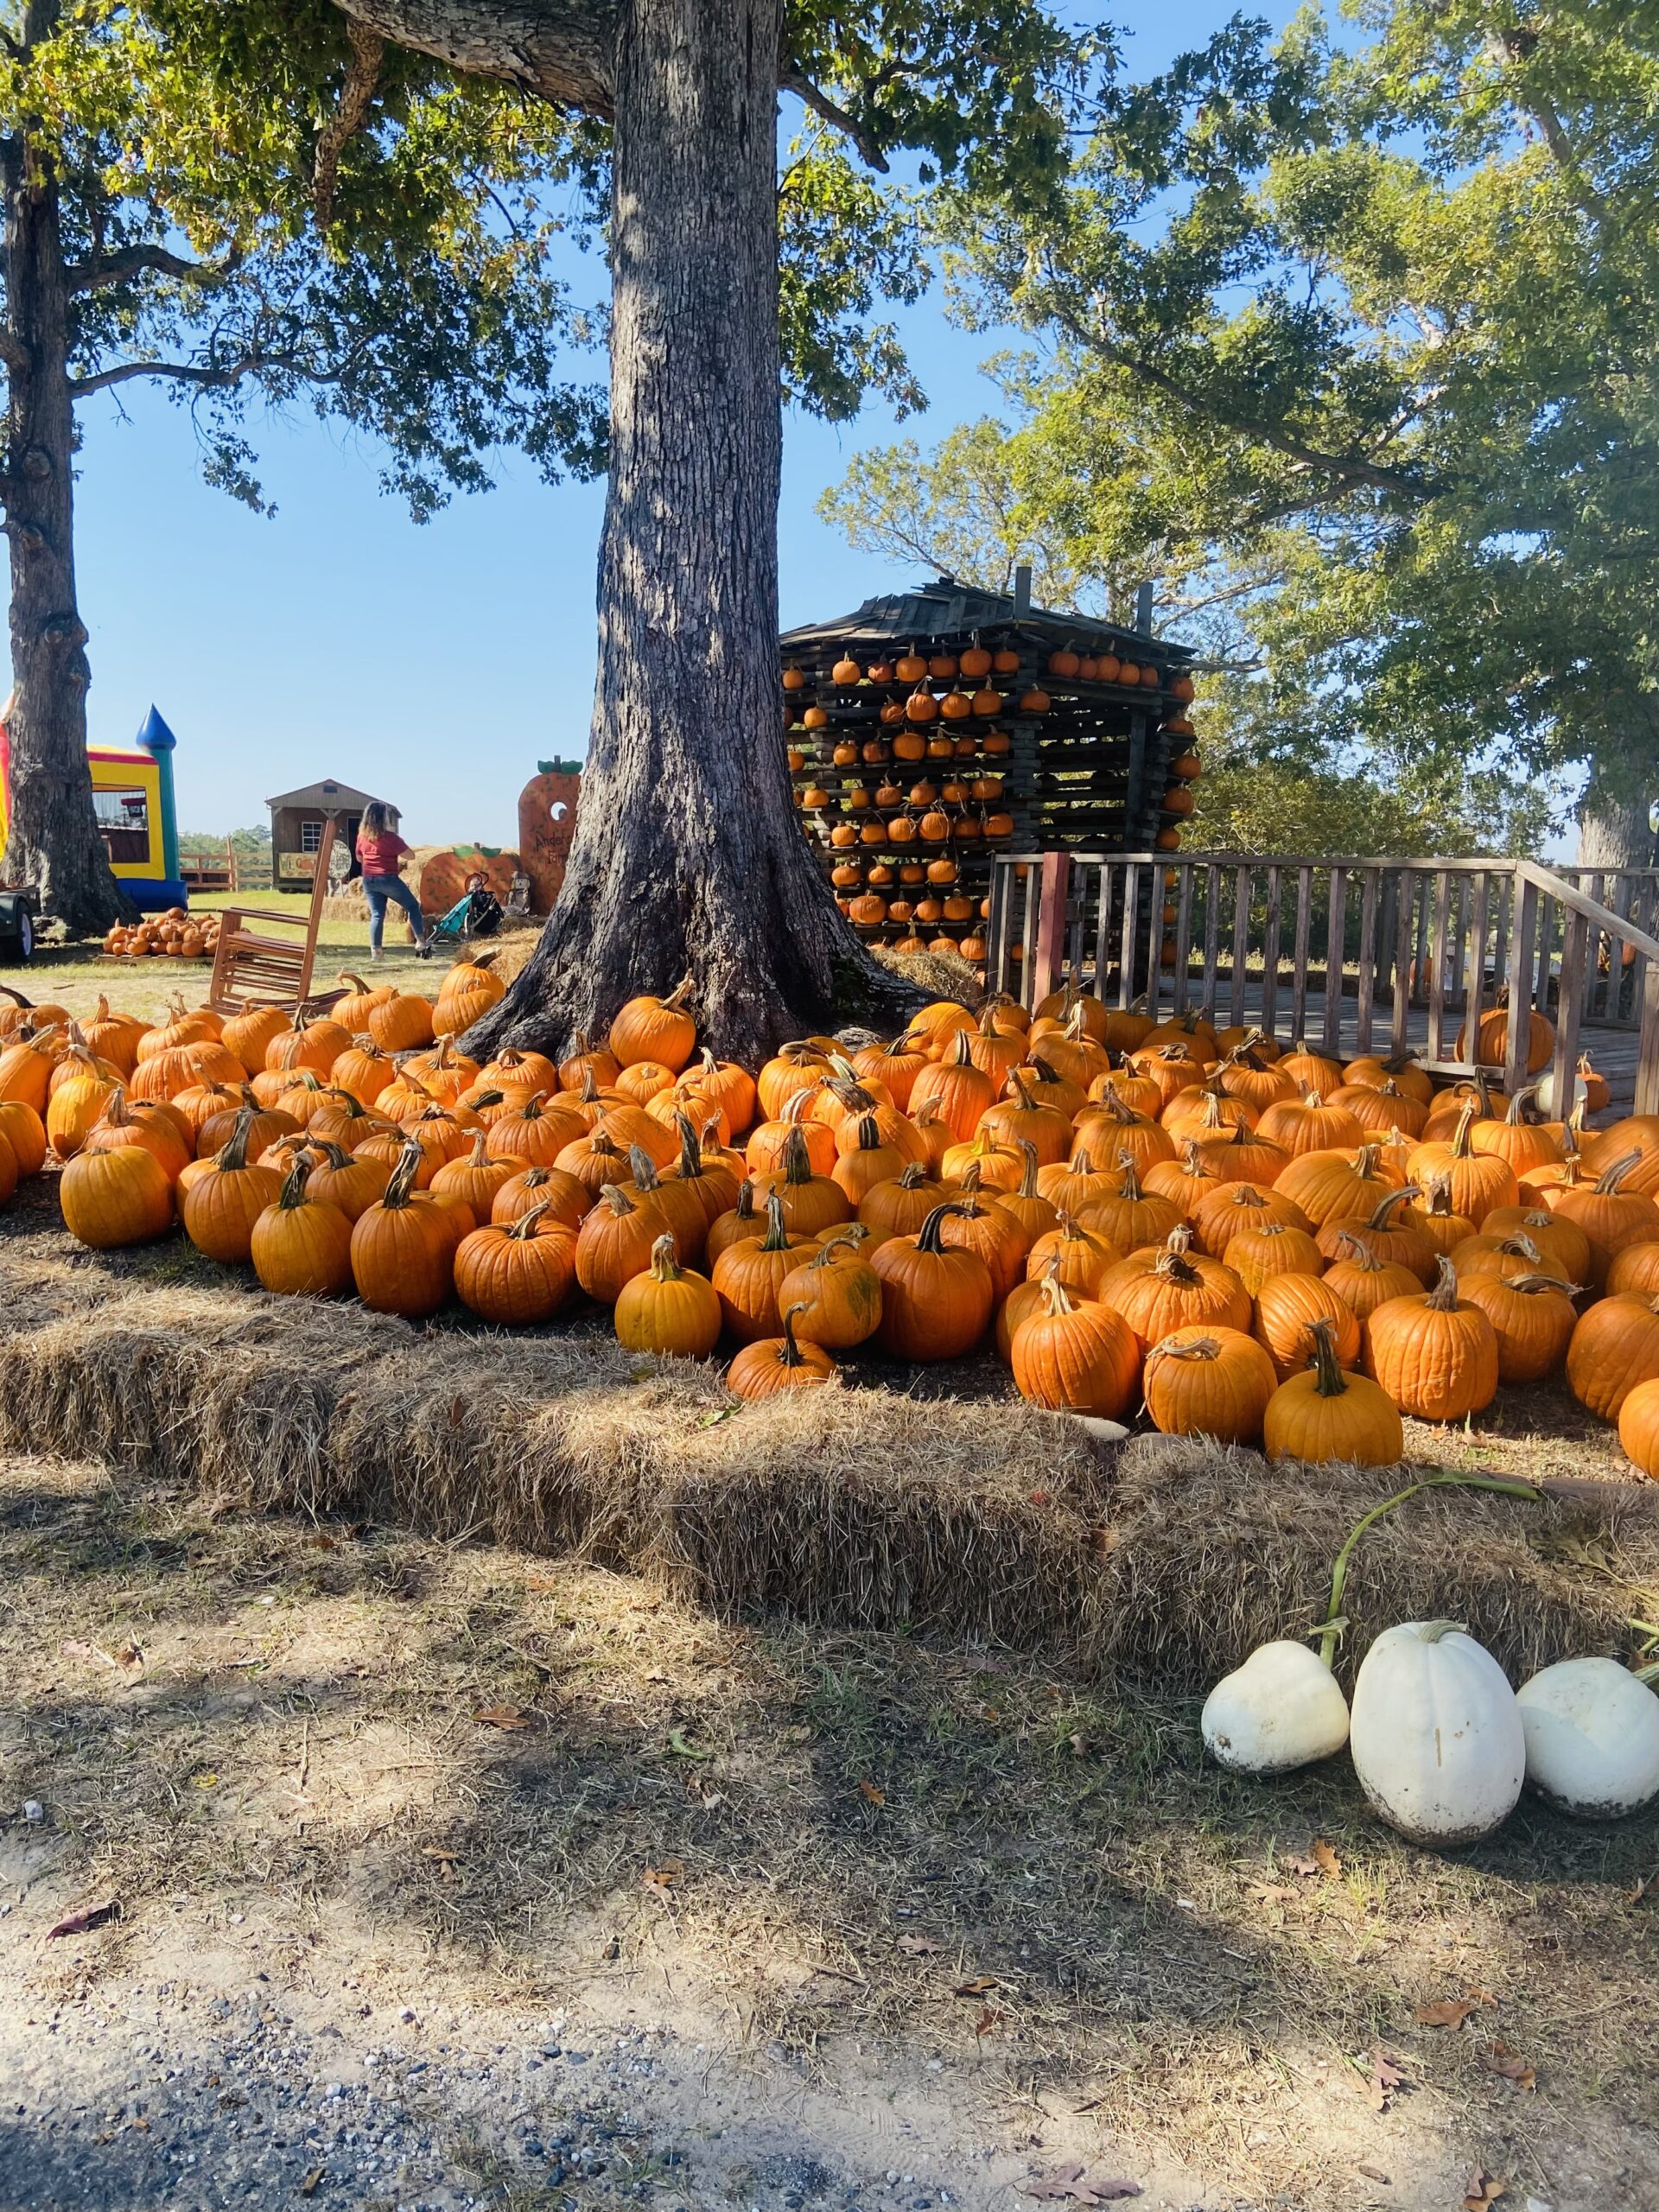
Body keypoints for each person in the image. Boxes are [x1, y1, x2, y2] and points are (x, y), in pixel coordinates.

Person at [355, 800, 431, 959]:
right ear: (383, 818)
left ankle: (376, 952)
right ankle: (421, 941)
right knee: (413, 906)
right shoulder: (390, 837)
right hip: (388, 878)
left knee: (377, 915)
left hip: (369, 880)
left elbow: (359, 857)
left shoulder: (362, 837)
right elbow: (410, 855)